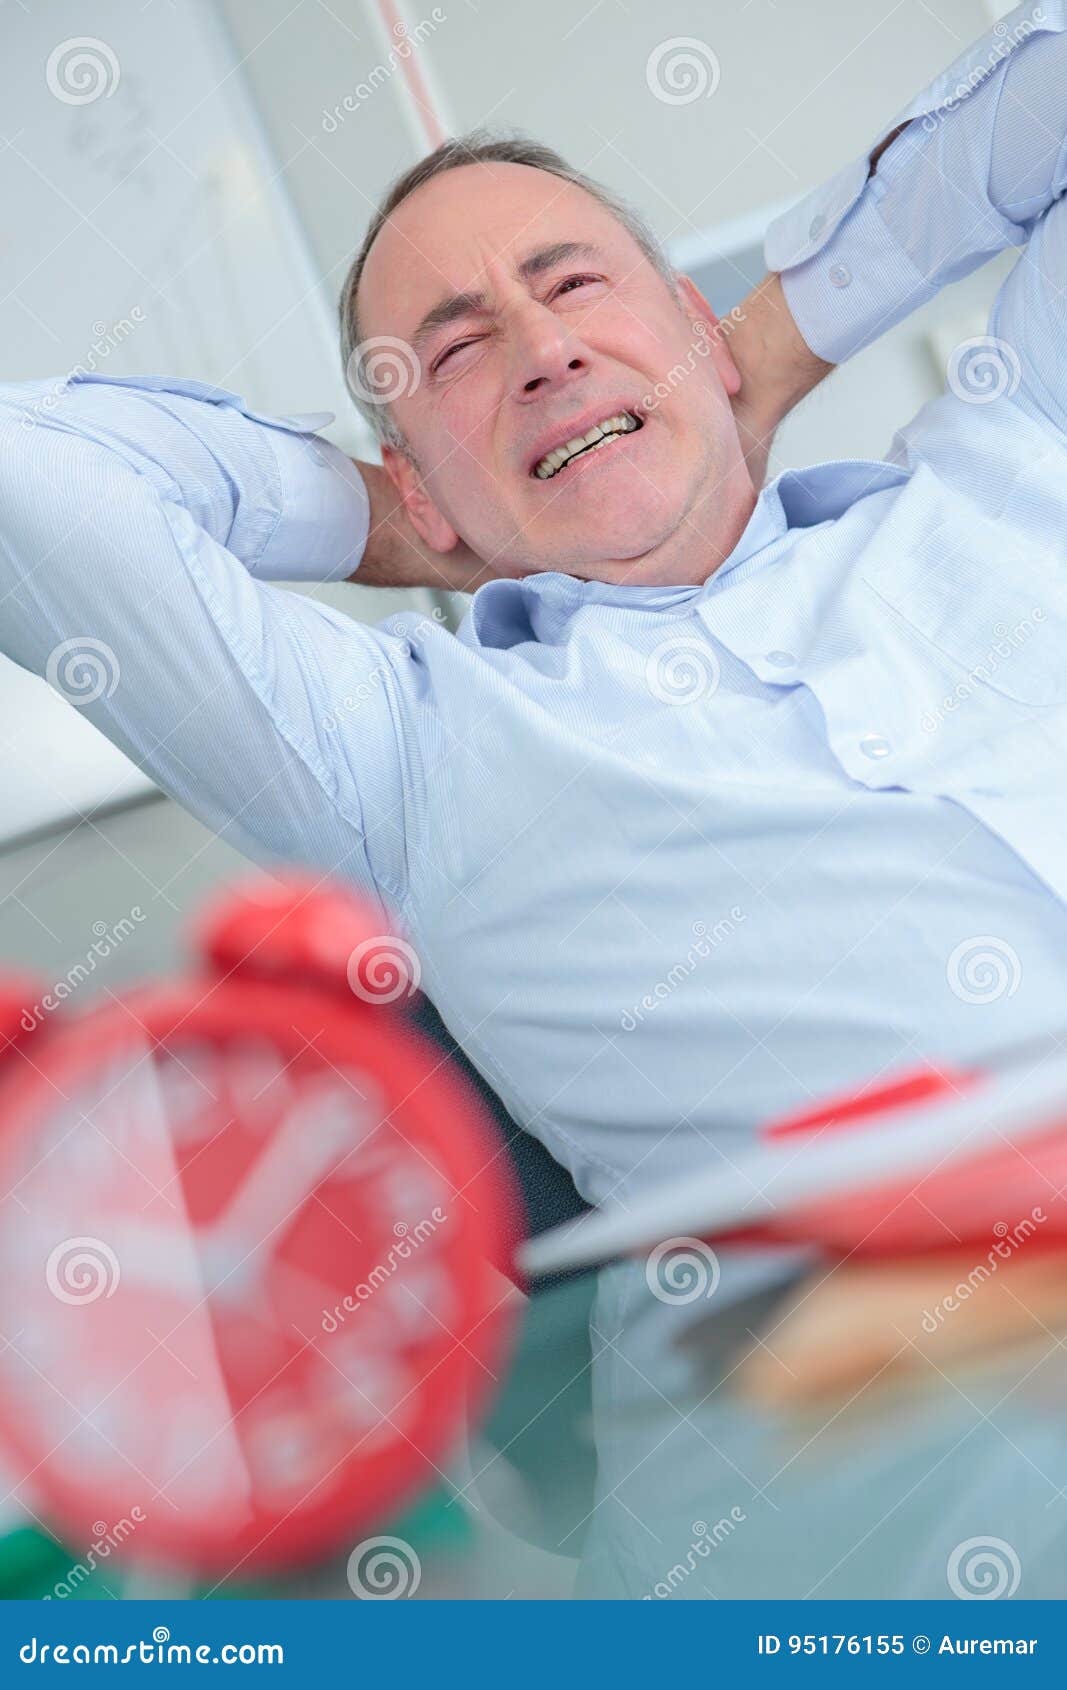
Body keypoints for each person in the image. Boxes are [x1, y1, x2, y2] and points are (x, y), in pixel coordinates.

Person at [3, 6, 1066, 1223]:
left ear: (692, 328)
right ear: (415, 476)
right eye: (453, 353)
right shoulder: (401, 758)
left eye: (573, 284)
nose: (543, 349)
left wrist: (786, 329)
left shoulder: (1020, 447)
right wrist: (390, 522)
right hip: (887, 1374)